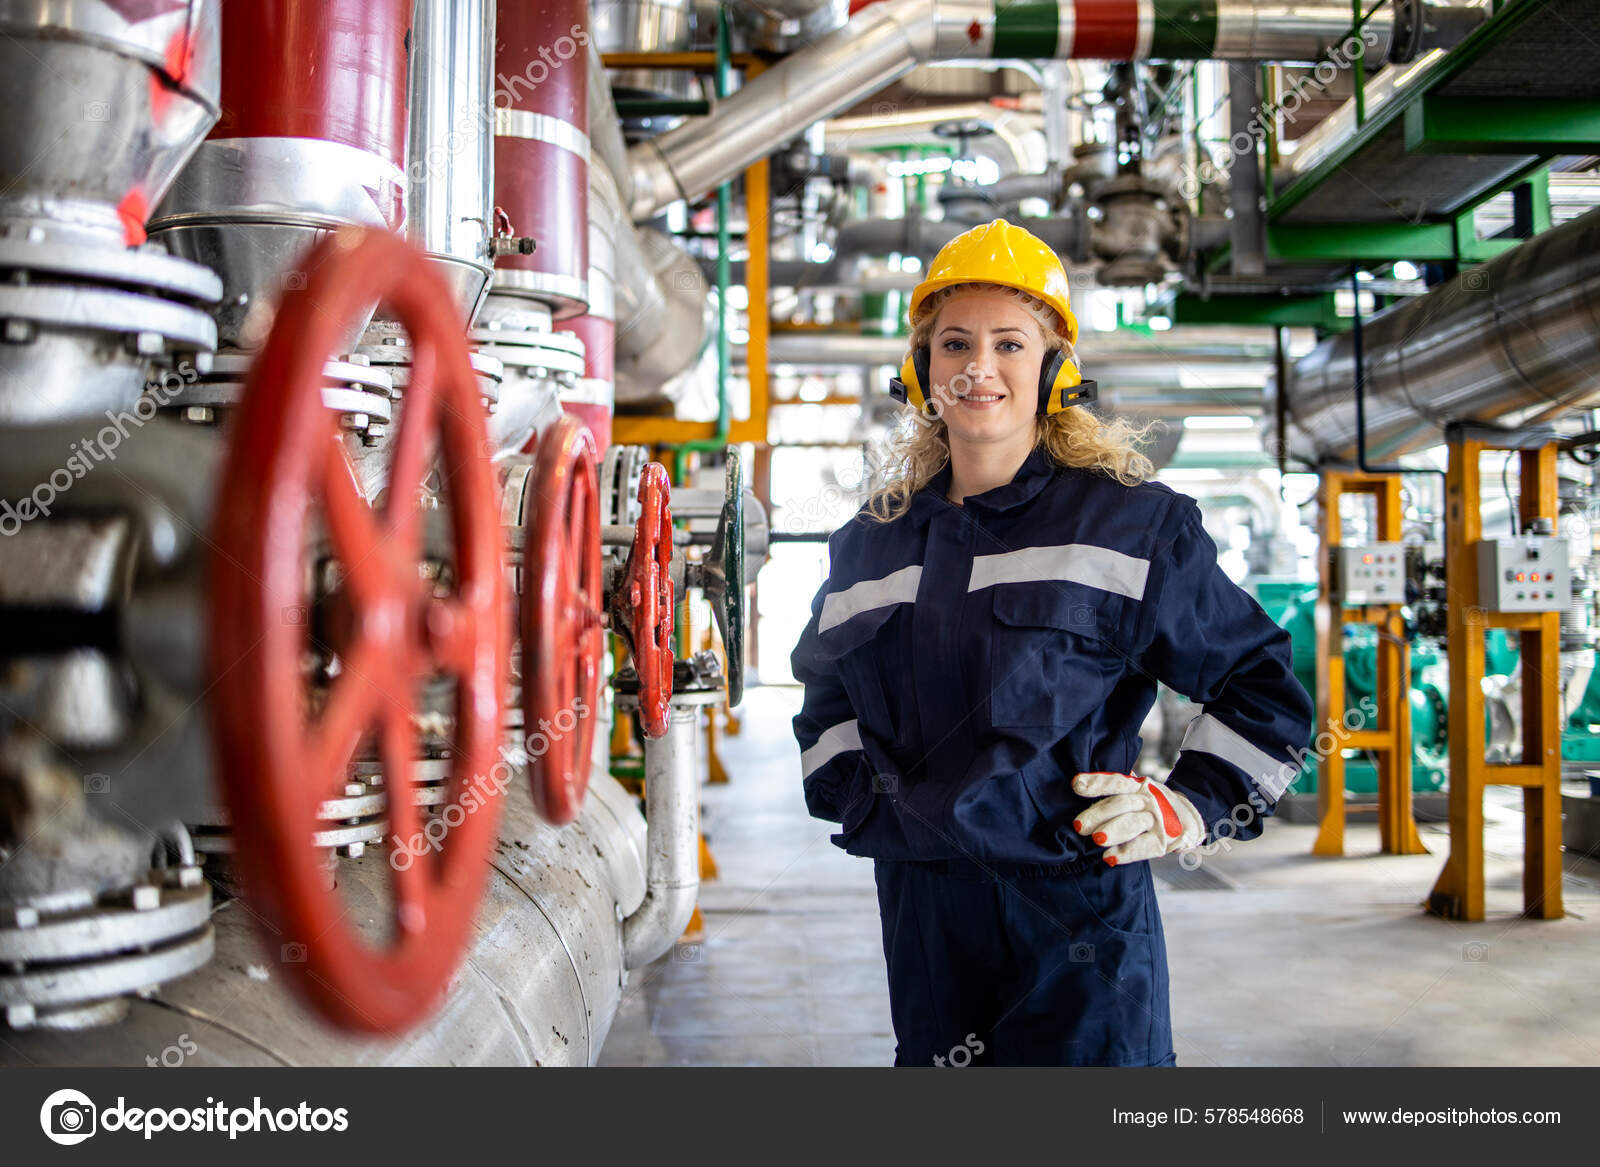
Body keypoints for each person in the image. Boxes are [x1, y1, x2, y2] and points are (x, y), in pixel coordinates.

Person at [789, 218, 1313, 1067]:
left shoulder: (1131, 525)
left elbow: (1263, 687)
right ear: (923, 370)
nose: (978, 368)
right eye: (954, 344)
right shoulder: (870, 545)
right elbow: (825, 698)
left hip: (1080, 930)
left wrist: (1185, 807)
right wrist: (865, 800)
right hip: (926, 921)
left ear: (1054, 369)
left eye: (1009, 343)